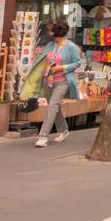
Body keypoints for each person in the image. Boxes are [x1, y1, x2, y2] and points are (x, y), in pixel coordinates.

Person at [35, 20, 85, 148]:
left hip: (63, 80)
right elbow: (43, 59)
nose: (55, 39)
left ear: (61, 35)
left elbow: (78, 63)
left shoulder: (71, 47)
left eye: (56, 37)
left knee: (52, 105)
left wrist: (62, 67)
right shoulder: (50, 45)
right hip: (48, 80)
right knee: (54, 107)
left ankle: (43, 136)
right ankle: (63, 130)